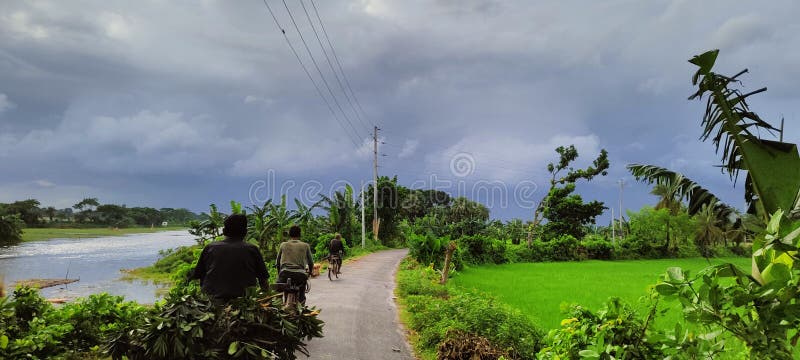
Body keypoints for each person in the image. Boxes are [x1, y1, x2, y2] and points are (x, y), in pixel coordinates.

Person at [190, 214, 269, 303]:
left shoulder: (210, 248)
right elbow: (264, 282)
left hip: (211, 302)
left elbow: (199, 276)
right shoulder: (252, 249)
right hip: (243, 302)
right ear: (245, 232)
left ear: (224, 231)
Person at [275, 225, 314, 304]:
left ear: (289, 234)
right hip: (300, 274)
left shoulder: (283, 245)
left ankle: (278, 307)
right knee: (302, 293)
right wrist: (309, 272)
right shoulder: (305, 245)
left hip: (284, 274)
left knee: (278, 293)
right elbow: (311, 262)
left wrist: (279, 273)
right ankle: (301, 306)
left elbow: (277, 262)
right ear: (299, 234)